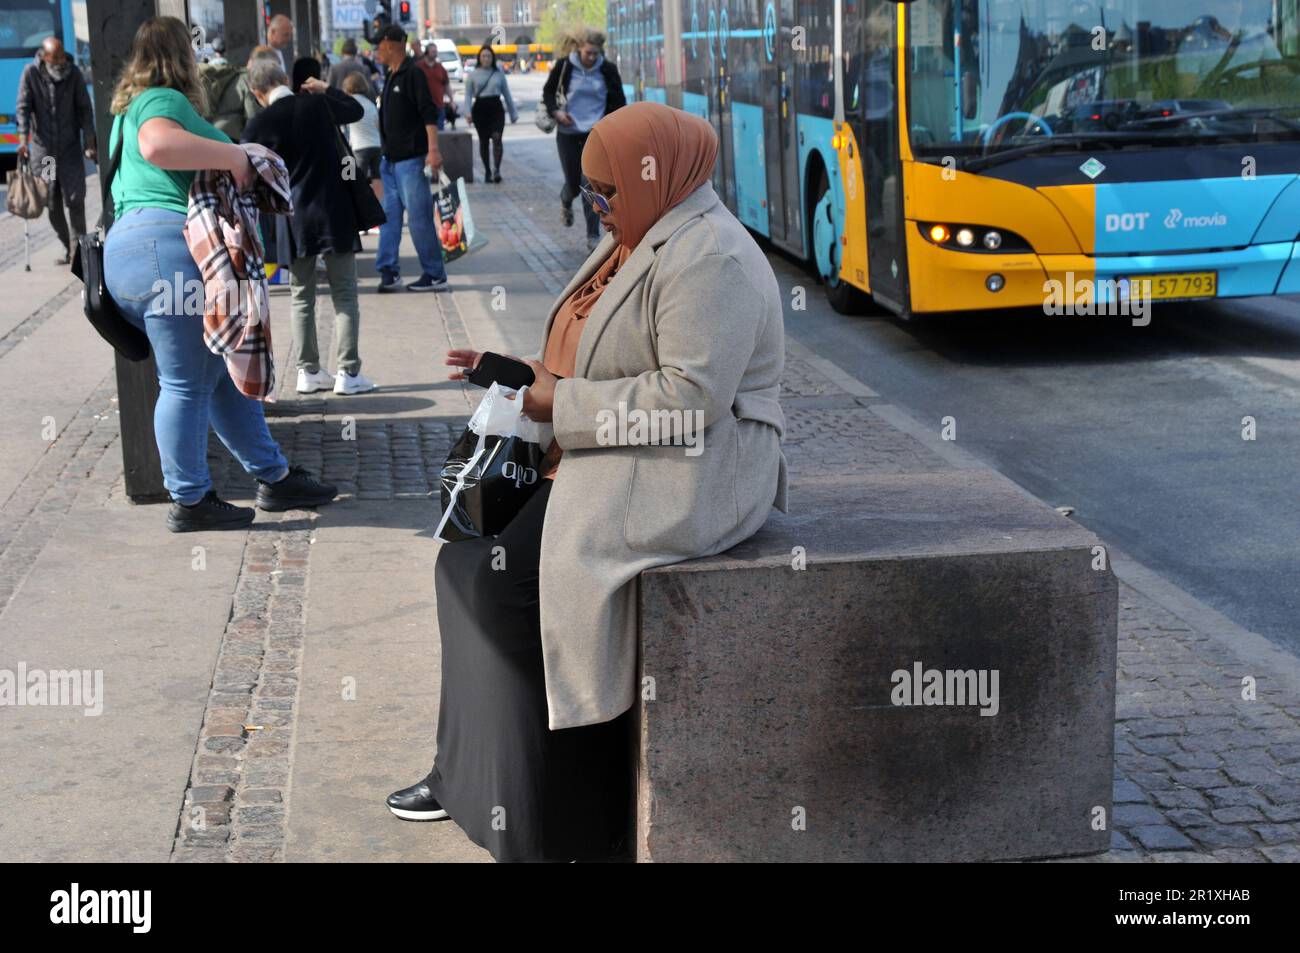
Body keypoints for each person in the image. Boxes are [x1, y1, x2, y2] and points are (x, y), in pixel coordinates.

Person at [386, 102, 788, 862]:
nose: (599, 209)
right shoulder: (640, 231)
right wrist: (519, 378)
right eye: (591, 191)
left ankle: (546, 818)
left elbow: (689, 404)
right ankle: (468, 773)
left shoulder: (711, 257)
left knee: (507, 589)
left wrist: (558, 401)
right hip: (605, 445)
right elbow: (592, 353)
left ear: (656, 173)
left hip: (693, 467)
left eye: (607, 192)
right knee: (462, 562)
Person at [101, 16, 337, 532]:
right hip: (168, 249)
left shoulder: (124, 110)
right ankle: (189, 499)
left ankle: (273, 476)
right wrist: (234, 155)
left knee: (220, 372)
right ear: (179, 56)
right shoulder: (162, 98)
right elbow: (158, 147)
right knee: (185, 382)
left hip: (130, 255)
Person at [242, 61, 375, 398]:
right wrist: (325, 88)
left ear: (258, 93)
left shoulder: (260, 122)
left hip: (292, 217)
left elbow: (246, 169)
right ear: (285, 79)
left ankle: (308, 372)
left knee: (302, 296)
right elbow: (355, 110)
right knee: (344, 293)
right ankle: (348, 373)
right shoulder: (318, 104)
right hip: (334, 211)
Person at [372, 24, 448, 294]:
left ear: (392, 44)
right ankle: (389, 271)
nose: (375, 50)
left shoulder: (412, 74)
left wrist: (433, 150)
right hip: (390, 162)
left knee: (418, 219)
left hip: (411, 161)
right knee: (389, 218)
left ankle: (435, 274)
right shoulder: (390, 75)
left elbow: (429, 113)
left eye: (378, 44)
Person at [15, 36, 97, 266]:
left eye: (62, 60)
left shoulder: (73, 74)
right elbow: (23, 108)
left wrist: (89, 142)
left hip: (69, 150)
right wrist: (23, 139)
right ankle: (67, 244)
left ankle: (78, 253)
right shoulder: (31, 74)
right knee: (51, 200)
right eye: (56, 60)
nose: (60, 65)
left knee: (75, 199)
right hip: (47, 153)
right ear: (45, 56)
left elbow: (84, 109)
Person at [542, 29, 626, 251]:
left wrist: (610, 125)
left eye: (596, 54)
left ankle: (592, 236)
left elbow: (619, 101)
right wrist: (557, 113)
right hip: (568, 134)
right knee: (573, 184)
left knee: (590, 183)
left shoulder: (607, 69)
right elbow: (548, 93)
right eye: (588, 52)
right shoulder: (564, 67)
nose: (592, 57)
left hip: (595, 135)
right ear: (580, 47)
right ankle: (566, 198)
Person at [463, 44, 517, 183]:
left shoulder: (499, 74)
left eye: (488, 56)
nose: (486, 59)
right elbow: (468, 96)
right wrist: (467, 113)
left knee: (497, 138)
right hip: (480, 110)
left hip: (496, 109)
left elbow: (507, 94)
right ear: (479, 58)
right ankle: (487, 170)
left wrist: (513, 113)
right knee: (484, 142)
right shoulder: (473, 75)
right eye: (483, 56)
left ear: (492, 58)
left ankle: (497, 170)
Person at [342, 72, 382, 204]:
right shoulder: (370, 104)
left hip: (359, 146)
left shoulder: (350, 104)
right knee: (377, 177)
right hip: (376, 145)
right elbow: (377, 124)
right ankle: (379, 206)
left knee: (359, 179)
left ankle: (363, 207)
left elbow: (344, 128)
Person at [415, 41, 450, 129]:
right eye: (433, 51)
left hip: (439, 105)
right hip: (423, 107)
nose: (435, 53)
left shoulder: (440, 67)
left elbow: (446, 84)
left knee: (440, 134)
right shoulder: (418, 67)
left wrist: (451, 100)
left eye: (436, 51)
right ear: (426, 52)